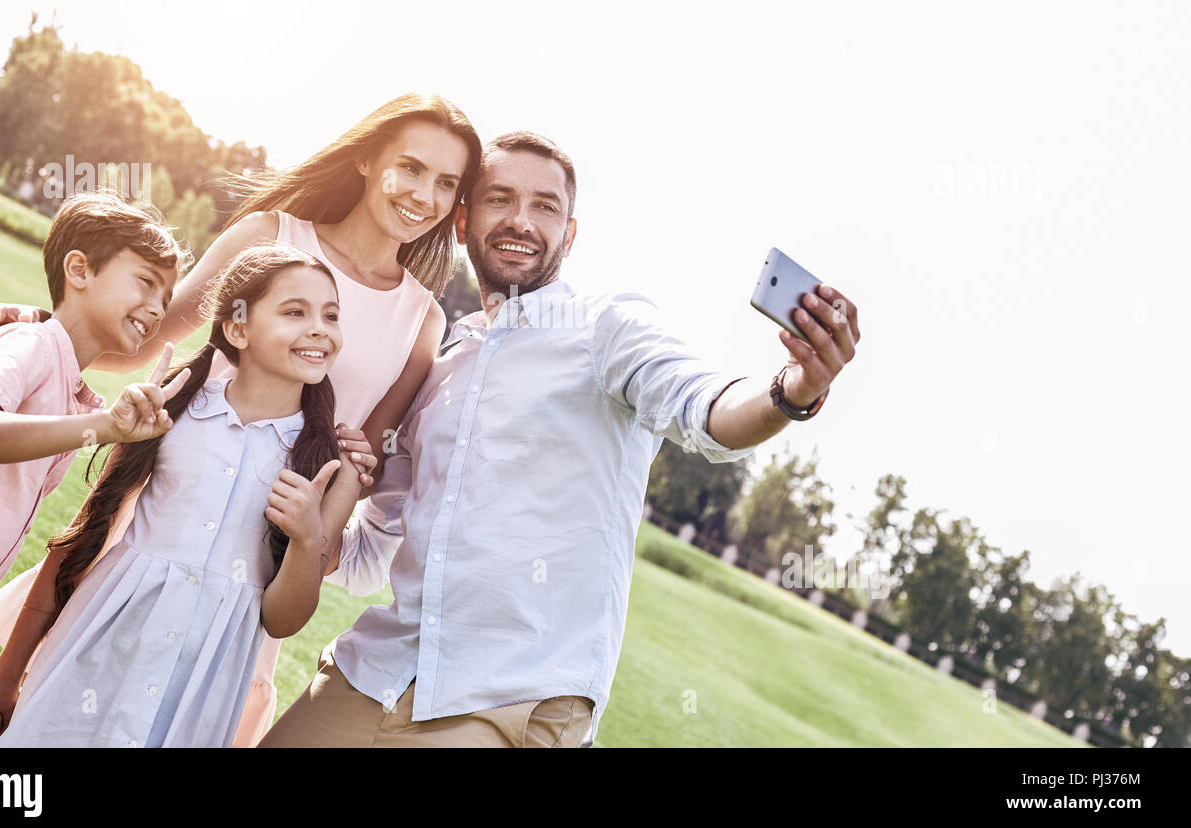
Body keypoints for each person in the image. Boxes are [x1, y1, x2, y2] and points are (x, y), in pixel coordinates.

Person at [258, 131, 862, 748]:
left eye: (545, 206)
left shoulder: (608, 329)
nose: (521, 220)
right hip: (376, 673)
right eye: (500, 199)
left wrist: (790, 390)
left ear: (569, 234)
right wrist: (315, 516)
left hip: (512, 704)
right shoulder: (442, 370)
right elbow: (365, 557)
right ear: (464, 219)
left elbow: (706, 408)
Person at [0, 92, 481, 745]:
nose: (423, 194)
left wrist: (318, 531)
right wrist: (40, 332)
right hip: (171, 486)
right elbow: (150, 335)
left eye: (446, 183)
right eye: (411, 167)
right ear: (370, 159)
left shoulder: (423, 320)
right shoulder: (269, 236)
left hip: (256, 561)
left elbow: (355, 466)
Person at [0, 246, 374, 747]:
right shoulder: (168, 409)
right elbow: (80, 541)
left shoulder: (328, 464)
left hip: (196, 692)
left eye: (331, 315)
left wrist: (308, 539)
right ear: (238, 329)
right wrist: (5, 680)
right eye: (295, 312)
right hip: (93, 653)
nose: (319, 328)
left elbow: (283, 620)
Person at [0, 193, 189, 748]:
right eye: (146, 281)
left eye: (166, 295)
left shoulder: (71, 401)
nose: (157, 305)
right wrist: (106, 427)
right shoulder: (26, 344)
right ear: (79, 269)